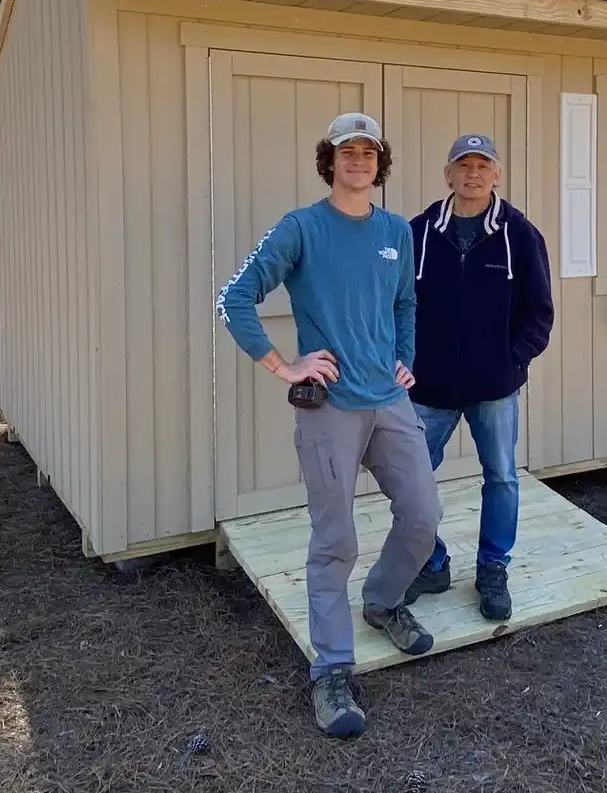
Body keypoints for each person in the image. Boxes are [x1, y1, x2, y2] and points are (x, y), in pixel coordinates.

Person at [215, 111, 443, 740]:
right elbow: (234, 298)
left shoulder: (396, 230)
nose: (359, 160)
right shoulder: (301, 228)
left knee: (424, 516)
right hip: (331, 408)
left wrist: (406, 358)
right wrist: (283, 365)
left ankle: (383, 602)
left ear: (380, 162)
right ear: (330, 159)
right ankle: (332, 671)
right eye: (348, 151)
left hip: (389, 402)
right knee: (334, 537)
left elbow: (404, 302)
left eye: (369, 151)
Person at [401, 132, 554, 622]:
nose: (472, 174)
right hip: (429, 387)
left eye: (482, 165)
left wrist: (513, 361)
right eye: (462, 165)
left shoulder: (520, 234)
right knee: (409, 479)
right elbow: (396, 306)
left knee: (502, 477)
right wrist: (403, 360)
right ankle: (431, 560)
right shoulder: (417, 233)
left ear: (497, 174)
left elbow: (538, 311)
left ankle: (492, 568)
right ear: (447, 174)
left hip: (494, 387)